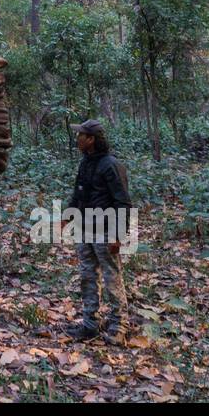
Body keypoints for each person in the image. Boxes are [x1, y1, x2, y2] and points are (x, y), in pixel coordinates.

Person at [65, 119, 130, 344]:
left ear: (91, 139)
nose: (77, 139)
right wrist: (67, 216)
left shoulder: (110, 165)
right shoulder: (85, 163)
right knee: (87, 276)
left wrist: (118, 235)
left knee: (112, 278)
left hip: (104, 230)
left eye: (81, 135)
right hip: (85, 229)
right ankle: (90, 324)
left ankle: (119, 326)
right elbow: (79, 192)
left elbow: (122, 202)